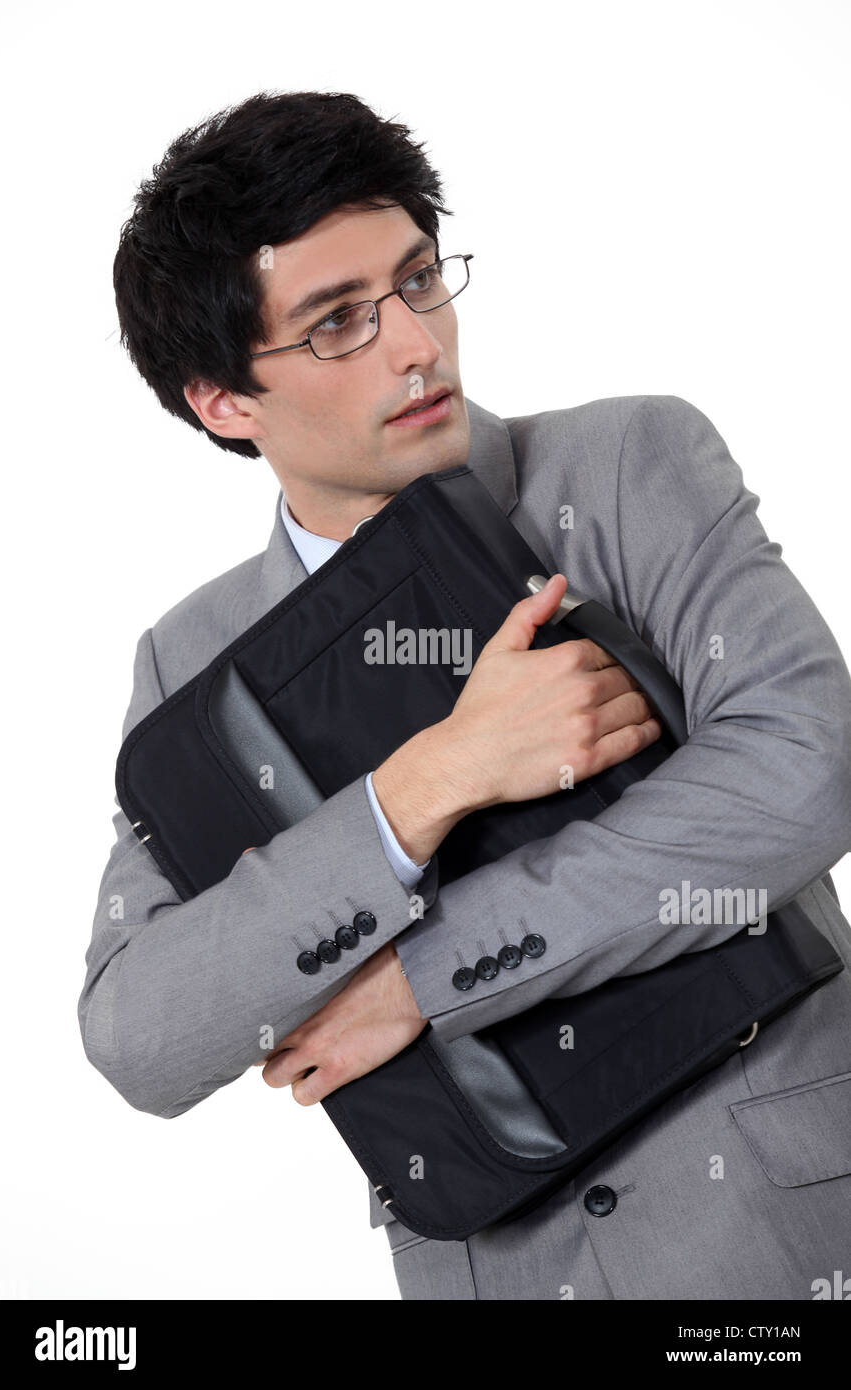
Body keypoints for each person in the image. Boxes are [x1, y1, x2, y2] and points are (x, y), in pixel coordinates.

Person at [80, 89, 851, 1301]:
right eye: (337, 323)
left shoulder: (618, 464)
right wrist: (429, 782)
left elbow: (803, 767)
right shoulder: (189, 660)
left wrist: (415, 983)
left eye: (420, 279)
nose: (414, 344)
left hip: (782, 1231)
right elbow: (143, 1030)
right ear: (224, 402)